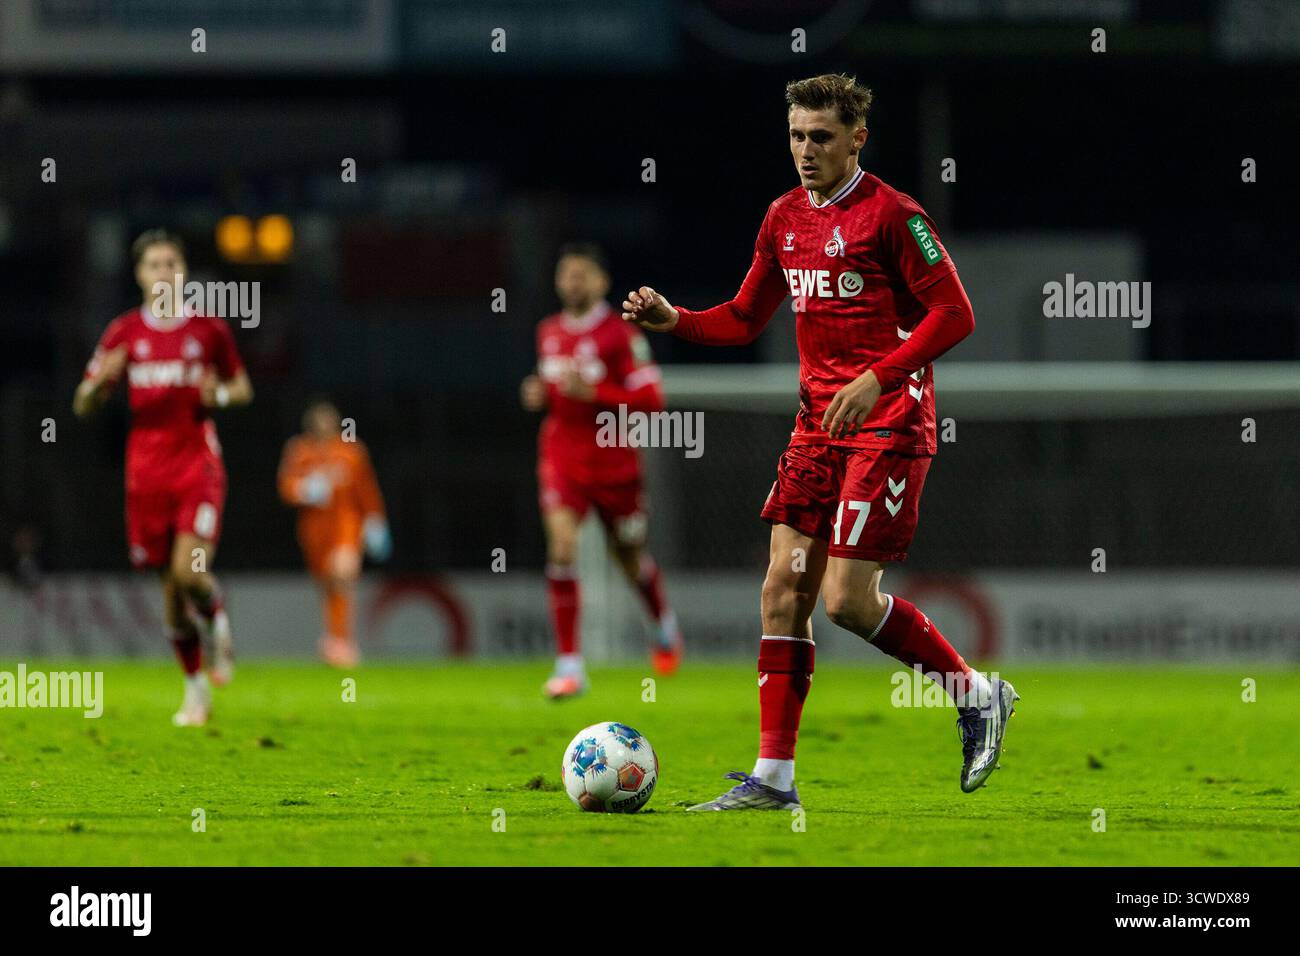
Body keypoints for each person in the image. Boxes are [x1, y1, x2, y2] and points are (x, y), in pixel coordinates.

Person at [622, 74, 1016, 809]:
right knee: (781, 592)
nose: (806, 150)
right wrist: (676, 319)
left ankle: (975, 693)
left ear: (857, 138)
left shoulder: (894, 215)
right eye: (797, 136)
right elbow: (743, 318)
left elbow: (955, 315)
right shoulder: (782, 218)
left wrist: (879, 376)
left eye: (822, 137)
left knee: (845, 601)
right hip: (816, 427)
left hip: (890, 425)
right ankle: (774, 779)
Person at [74, 229, 252, 726]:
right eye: (154, 264)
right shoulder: (124, 333)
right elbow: (82, 405)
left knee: (189, 571)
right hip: (146, 475)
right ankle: (196, 691)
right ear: (139, 275)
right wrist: (98, 382)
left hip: (197, 465)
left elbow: (242, 388)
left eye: (171, 263)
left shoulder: (208, 330)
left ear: (183, 272)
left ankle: (215, 611)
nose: (164, 272)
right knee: (172, 596)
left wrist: (215, 395)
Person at [521, 243, 683, 699]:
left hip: (615, 462)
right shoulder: (547, 331)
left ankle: (662, 623)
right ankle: (570, 665)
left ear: (601, 282)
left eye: (581, 275)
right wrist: (539, 395)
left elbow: (653, 400)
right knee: (562, 546)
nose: (572, 282)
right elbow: (556, 393)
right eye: (565, 274)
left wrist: (597, 392)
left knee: (630, 558)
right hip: (562, 460)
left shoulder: (622, 334)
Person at [278, 398, 390, 668]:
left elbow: (366, 490)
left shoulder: (352, 452)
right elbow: (286, 487)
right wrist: (305, 489)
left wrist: (376, 521)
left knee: (342, 574)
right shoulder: (299, 451)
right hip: (313, 529)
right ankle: (333, 638)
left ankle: (343, 640)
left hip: (346, 524)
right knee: (326, 584)